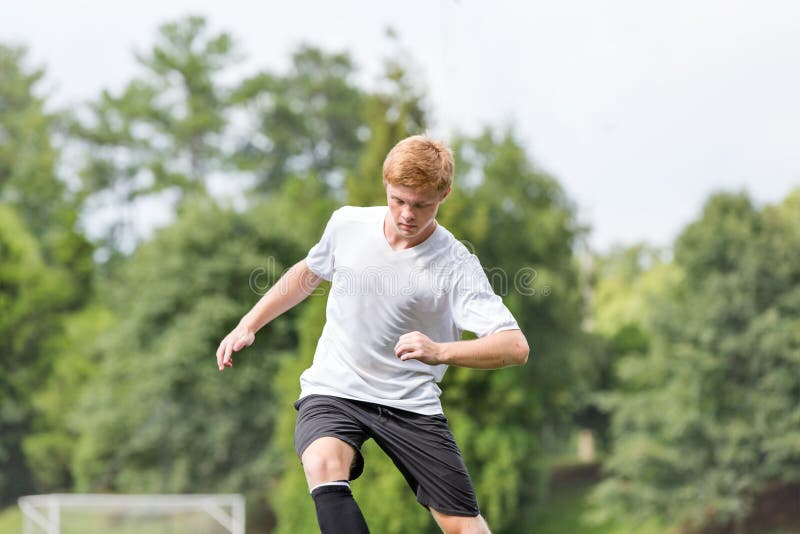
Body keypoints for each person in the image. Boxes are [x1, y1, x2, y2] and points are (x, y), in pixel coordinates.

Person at [216, 135, 529, 534]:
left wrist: (440, 351)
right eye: (399, 200)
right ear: (386, 185)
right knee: (322, 462)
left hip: (410, 402)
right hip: (337, 386)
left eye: (421, 204)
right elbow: (309, 271)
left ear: (444, 194)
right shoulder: (347, 223)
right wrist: (249, 323)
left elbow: (515, 346)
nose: (407, 214)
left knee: (462, 527)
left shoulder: (455, 264)